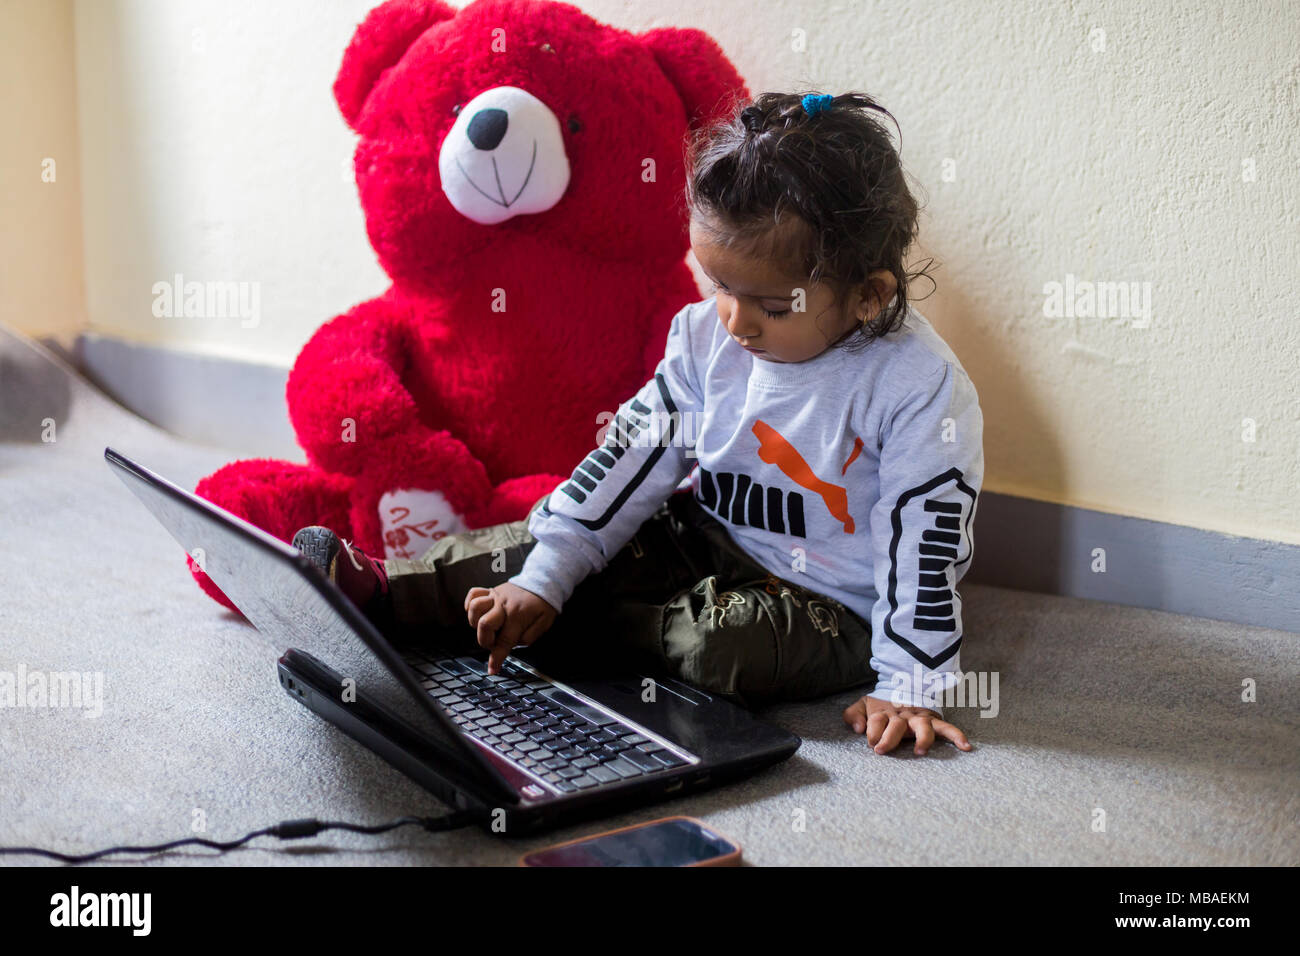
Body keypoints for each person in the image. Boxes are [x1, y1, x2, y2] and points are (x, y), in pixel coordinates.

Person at [295, 91, 982, 756]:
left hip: (832, 606)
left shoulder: (917, 386)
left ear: (868, 296)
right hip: (707, 536)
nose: (735, 322)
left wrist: (909, 683)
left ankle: (559, 623)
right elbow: (628, 462)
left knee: (719, 651)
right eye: (720, 290)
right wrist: (547, 573)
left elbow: (923, 545)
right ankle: (389, 590)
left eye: (771, 306)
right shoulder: (706, 338)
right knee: (543, 540)